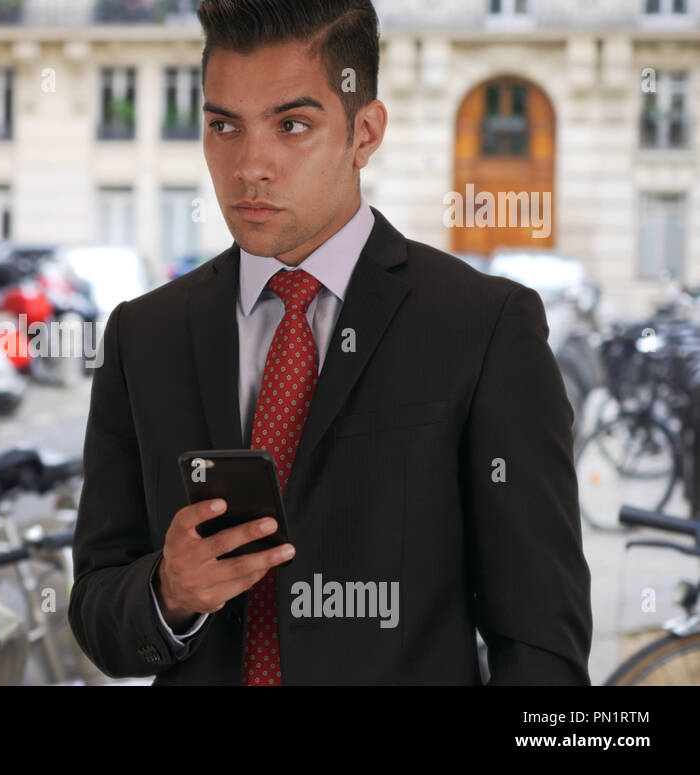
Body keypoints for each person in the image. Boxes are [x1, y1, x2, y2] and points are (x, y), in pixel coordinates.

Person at [67, 0, 592, 685]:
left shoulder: (483, 325)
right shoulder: (144, 334)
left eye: (292, 125)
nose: (250, 165)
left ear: (364, 133)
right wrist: (168, 594)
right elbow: (97, 607)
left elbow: (541, 644)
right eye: (224, 125)